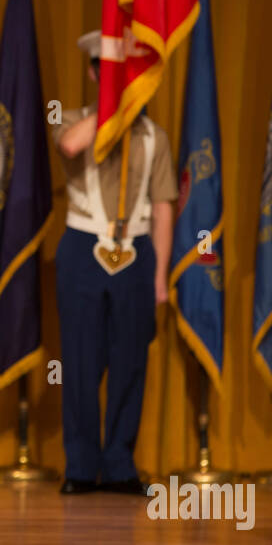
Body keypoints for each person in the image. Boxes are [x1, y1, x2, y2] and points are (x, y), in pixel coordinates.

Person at [52, 29, 176, 495]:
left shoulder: (154, 137)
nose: (121, 84)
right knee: (80, 362)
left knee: (130, 358)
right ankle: (81, 465)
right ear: (92, 74)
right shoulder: (69, 117)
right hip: (84, 247)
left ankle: (120, 462)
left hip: (137, 252)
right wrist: (114, 105)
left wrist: (160, 275)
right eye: (109, 76)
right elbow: (69, 146)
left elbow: (164, 206)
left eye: (128, 77)